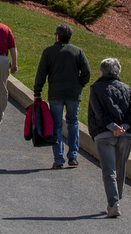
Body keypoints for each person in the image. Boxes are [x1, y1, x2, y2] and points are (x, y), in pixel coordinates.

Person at [33, 23, 92, 170]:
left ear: (57, 36)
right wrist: (80, 85)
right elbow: (87, 72)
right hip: (73, 93)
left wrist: (37, 92)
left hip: (56, 94)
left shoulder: (49, 52)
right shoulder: (78, 52)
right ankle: (73, 156)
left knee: (57, 126)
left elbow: (41, 74)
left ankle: (59, 158)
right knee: (73, 123)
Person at [88, 57, 131, 219]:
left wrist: (112, 127)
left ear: (102, 71)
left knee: (109, 170)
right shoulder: (127, 88)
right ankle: (118, 198)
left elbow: (98, 113)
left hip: (104, 134)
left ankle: (113, 203)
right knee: (120, 168)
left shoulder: (96, 88)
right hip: (126, 134)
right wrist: (124, 127)